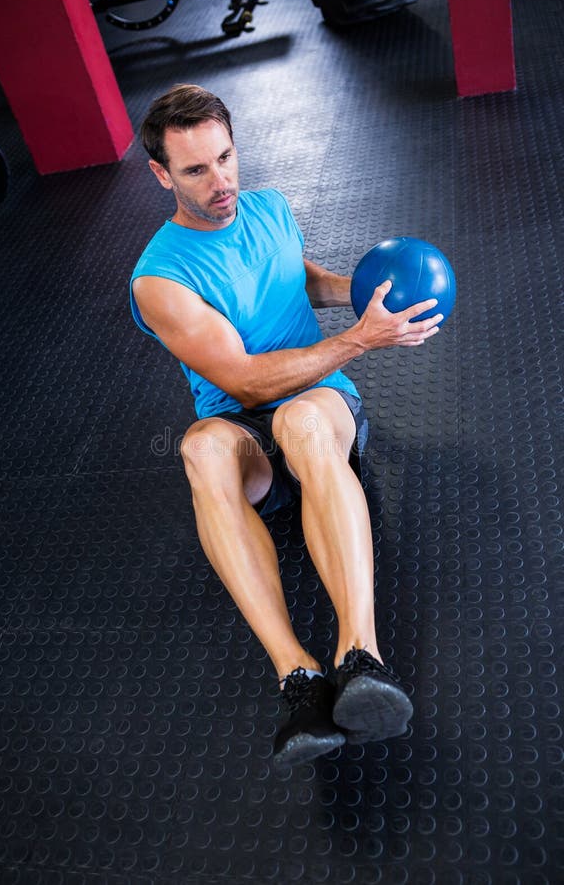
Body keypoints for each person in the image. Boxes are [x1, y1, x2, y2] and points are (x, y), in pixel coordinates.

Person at [129, 84, 443, 767]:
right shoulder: (160, 279)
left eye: (226, 158)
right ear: (161, 175)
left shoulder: (267, 207)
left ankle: (361, 656)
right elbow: (241, 381)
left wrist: (367, 298)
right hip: (245, 426)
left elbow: (294, 281)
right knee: (200, 448)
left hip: (316, 405)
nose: (221, 182)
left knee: (301, 418)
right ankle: (296, 674)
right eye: (196, 170)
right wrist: (361, 339)